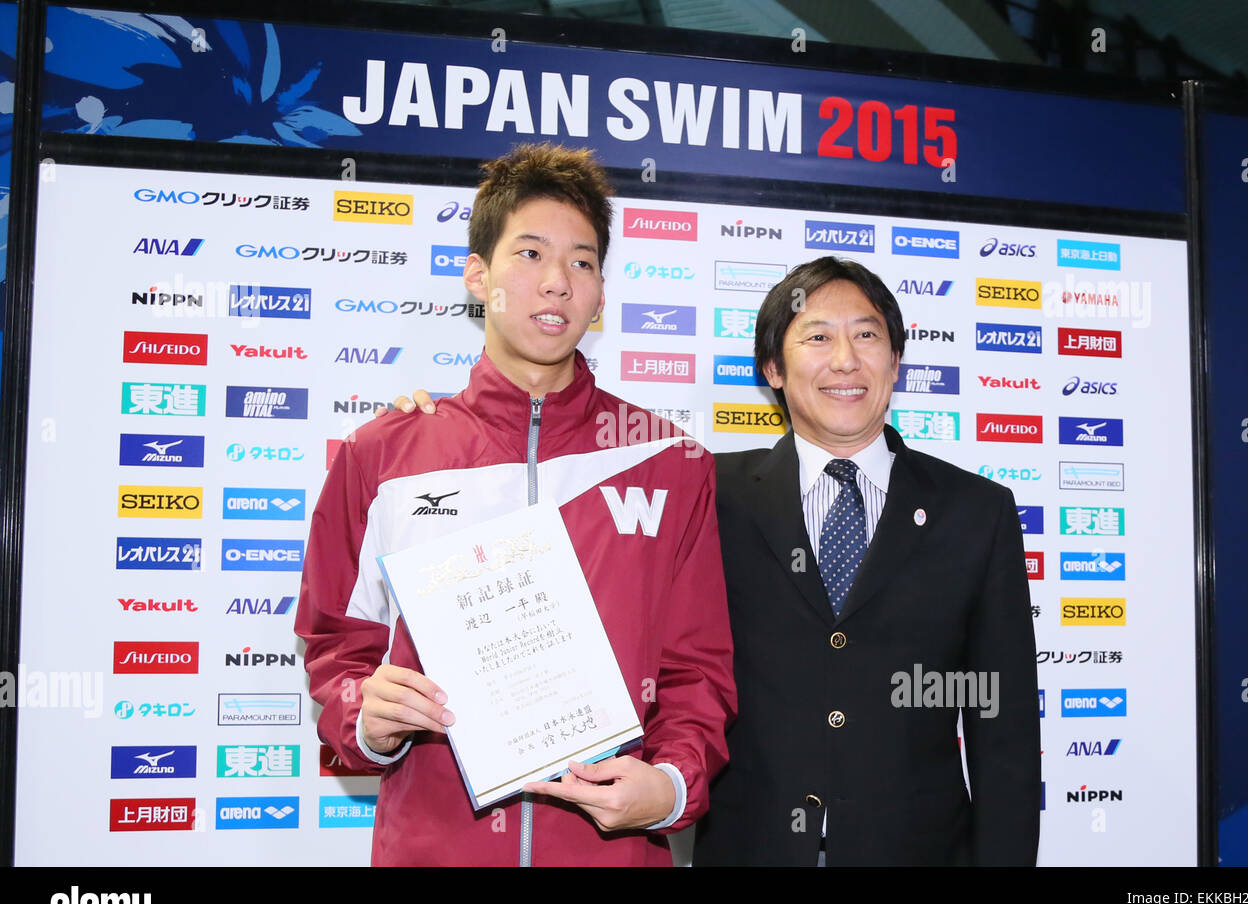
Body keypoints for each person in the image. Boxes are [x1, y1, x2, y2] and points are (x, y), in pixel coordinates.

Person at [391, 256, 1039, 866]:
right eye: (817, 337)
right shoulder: (700, 489)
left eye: (867, 336)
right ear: (773, 369)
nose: (845, 359)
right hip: (746, 849)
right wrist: (444, 429)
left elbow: (1002, 730)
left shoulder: (975, 512)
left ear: (895, 362)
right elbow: (558, 511)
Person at [297, 143, 736, 866]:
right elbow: (338, 648)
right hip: (432, 850)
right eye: (530, 254)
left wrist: (668, 785)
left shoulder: (669, 463)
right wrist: (366, 719)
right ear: (479, 276)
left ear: (601, 293)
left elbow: (697, 671)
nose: (557, 282)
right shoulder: (381, 454)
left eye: (582, 262)